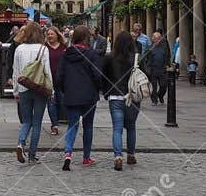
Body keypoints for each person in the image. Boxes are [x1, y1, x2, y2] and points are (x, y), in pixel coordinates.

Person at [55, 24, 104, 171]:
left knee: (72, 126)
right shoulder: (92, 54)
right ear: (86, 38)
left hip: (71, 95)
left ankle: (68, 153)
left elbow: (59, 77)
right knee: (88, 127)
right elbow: (97, 76)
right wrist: (97, 89)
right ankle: (86, 157)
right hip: (89, 96)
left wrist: (65, 90)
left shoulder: (66, 54)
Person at [11, 21, 52, 164]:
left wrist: (15, 91)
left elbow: (15, 72)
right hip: (39, 89)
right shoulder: (43, 49)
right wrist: (50, 90)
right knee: (37, 122)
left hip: (23, 88)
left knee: (26, 121)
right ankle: (32, 155)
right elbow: (47, 71)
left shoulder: (19, 48)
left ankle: (20, 144)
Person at [103, 28, 141, 170]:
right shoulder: (136, 58)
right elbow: (145, 74)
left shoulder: (109, 57)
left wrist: (106, 92)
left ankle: (118, 156)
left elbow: (103, 76)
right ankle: (131, 155)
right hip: (132, 97)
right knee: (131, 128)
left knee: (117, 128)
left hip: (115, 96)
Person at [45, 26, 67, 131]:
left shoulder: (64, 47)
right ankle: (54, 124)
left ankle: (59, 119)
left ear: (57, 35)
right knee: (51, 102)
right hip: (49, 80)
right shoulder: (44, 47)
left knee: (62, 101)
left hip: (62, 80)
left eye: (51, 34)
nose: (50, 36)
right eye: (48, 34)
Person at [142, 30, 169, 105]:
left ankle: (160, 95)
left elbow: (167, 57)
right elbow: (145, 59)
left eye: (158, 38)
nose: (157, 40)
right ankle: (154, 100)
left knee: (163, 85)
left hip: (162, 69)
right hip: (152, 69)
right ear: (152, 39)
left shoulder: (164, 48)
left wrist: (168, 65)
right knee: (153, 87)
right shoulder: (149, 48)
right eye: (155, 38)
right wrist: (147, 69)